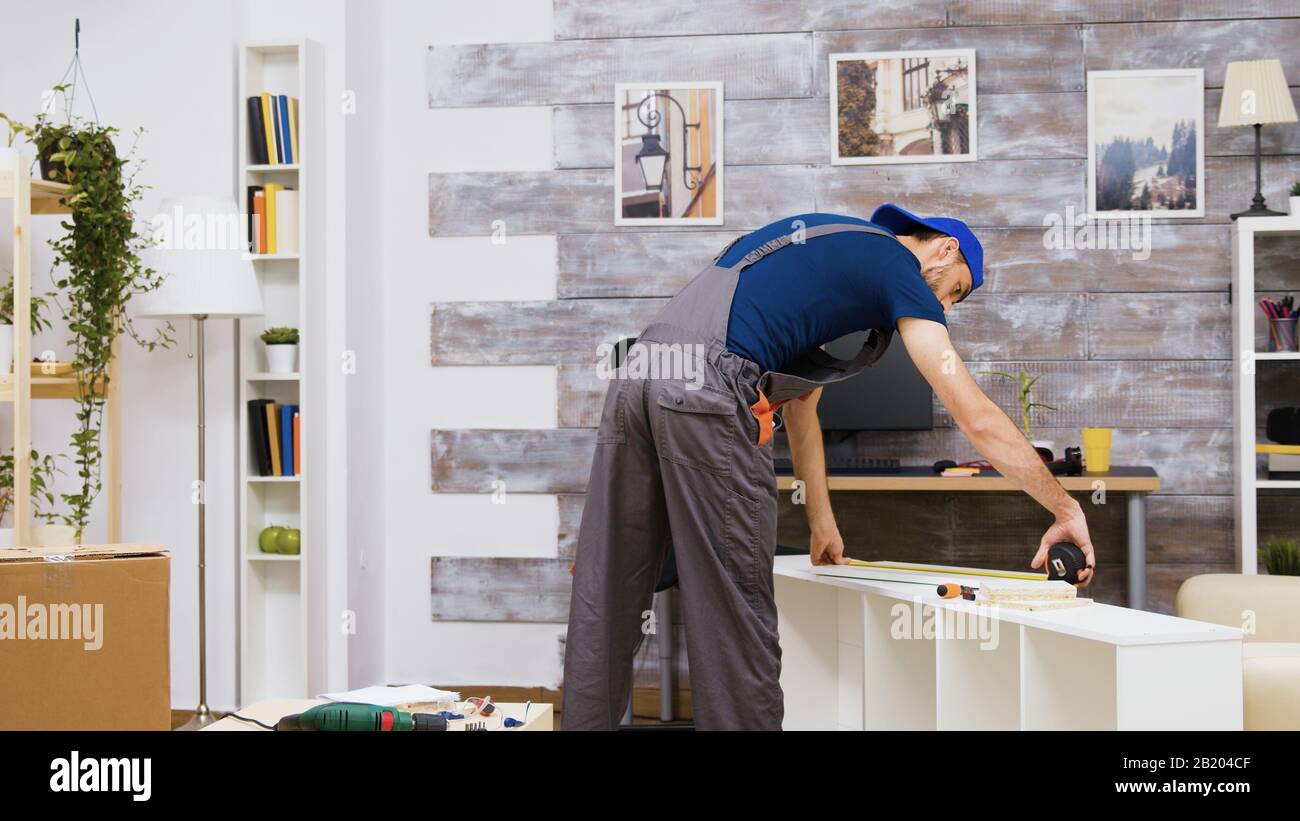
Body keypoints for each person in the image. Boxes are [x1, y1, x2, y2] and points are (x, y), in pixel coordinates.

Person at [561, 205, 1096, 730]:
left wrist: (822, 522)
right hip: (705, 389)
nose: (946, 307)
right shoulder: (898, 267)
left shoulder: (831, 249)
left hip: (638, 375)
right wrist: (1065, 506)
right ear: (944, 248)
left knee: (608, 585)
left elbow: (801, 406)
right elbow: (973, 415)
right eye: (955, 289)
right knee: (734, 613)